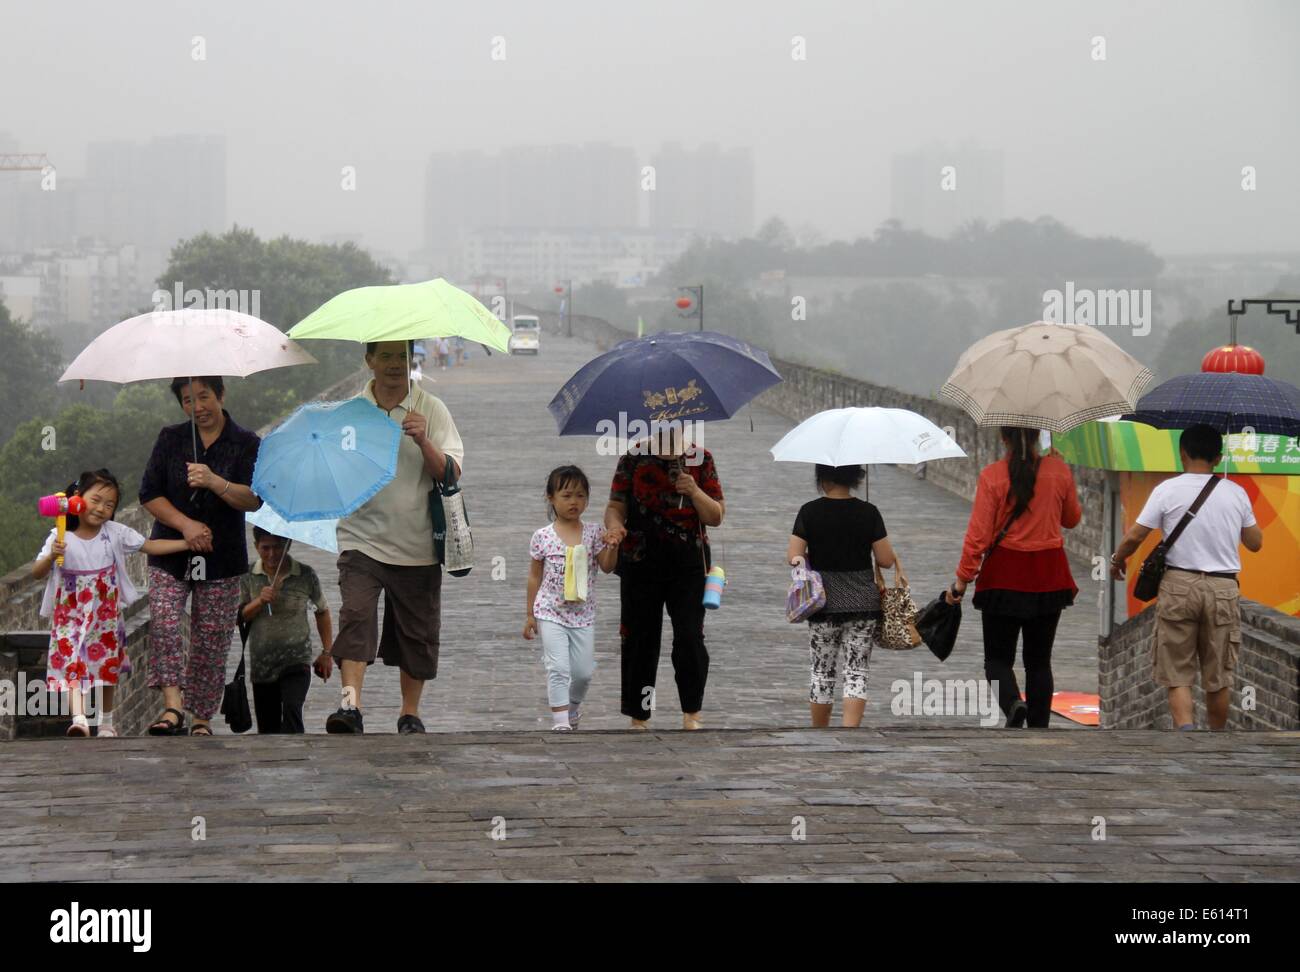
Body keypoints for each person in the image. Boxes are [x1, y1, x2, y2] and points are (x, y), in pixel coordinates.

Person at [326, 340, 464, 735]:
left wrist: (424, 440)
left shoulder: (432, 409)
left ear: (412, 360)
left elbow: (451, 473)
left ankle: (409, 713)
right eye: (384, 356)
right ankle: (350, 707)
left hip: (418, 543)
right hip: (361, 538)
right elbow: (333, 469)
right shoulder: (351, 413)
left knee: (416, 633)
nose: (392, 365)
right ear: (369, 360)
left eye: (400, 356)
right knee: (355, 617)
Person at [1109, 423, 1262, 731]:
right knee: (1218, 673)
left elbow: (1136, 536)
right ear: (1218, 458)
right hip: (1222, 587)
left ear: (1182, 453)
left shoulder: (1167, 490)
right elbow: (1255, 543)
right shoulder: (1236, 493)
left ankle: (1187, 735)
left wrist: (1117, 560)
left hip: (1179, 585)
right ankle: (1216, 739)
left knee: (1177, 669)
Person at [140, 377, 262, 736]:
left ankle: (201, 717)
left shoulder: (246, 443)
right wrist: (186, 525)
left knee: (211, 636)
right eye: (188, 400)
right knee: (164, 620)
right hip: (172, 550)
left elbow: (253, 499)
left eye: (204, 397)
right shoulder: (171, 438)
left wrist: (214, 482)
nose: (198, 408)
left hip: (222, 555)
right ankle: (172, 706)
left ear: (221, 395)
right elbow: (148, 493)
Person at [32, 469, 190, 737]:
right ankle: (80, 718)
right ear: (77, 499)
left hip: (104, 614)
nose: (101, 509)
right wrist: (52, 557)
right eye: (95, 500)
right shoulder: (60, 537)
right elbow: (37, 571)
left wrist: (187, 543)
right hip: (70, 615)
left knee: (106, 667)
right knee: (72, 660)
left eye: (109, 505)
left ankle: (106, 721)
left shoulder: (114, 533)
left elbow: (150, 547)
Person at [945, 428, 1081, 729]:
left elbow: (978, 537)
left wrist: (962, 580)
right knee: (1039, 661)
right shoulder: (1057, 471)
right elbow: (1071, 519)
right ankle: (1039, 727)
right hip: (1048, 575)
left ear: (1003, 437)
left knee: (997, 660)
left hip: (1003, 576)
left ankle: (1012, 704)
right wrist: (1061, 473)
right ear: (1037, 436)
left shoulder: (992, 476)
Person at [604, 427, 725, 730]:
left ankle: (691, 712)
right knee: (640, 638)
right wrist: (615, 527)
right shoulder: (633, 458)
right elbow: (615, 506)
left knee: (689, 636)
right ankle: (639, 715)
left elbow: (716, 516)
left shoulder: (701, 459)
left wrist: (694, 491)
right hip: (640, 561)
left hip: (690, 564)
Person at [786, 464, 897, 728]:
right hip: (863, 605)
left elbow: (793, 556)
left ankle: (820, 731)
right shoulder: (869, 512)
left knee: (822, 670)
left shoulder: (809, 511)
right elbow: (885, 560)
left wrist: (807, 557)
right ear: (856, 477)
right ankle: (850, 731)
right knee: (856, 671)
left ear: (822, 477)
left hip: (822, 604)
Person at [523, 466, 622, 730]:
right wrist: (530, 614)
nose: (574, 502)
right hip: (550, 611)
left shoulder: (593, 533)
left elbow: (607, 566)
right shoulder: (542, 537)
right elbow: (534, 577)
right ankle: (559, 722)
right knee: (557, 667)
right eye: (566, 495)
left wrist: (613, 546)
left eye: (580, 496)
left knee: (583, 672)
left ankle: (573, 709)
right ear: (551, 498)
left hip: (583, 615)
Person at [238, 528, 335, 734]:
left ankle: (298, 758)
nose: (272, 554)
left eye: (277, 547)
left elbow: (322, 611)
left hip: (297, 659)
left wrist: (327, 652)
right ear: (256, 547)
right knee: (268, 727)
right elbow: (238, 617)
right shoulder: (247, 576)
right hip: (262, 664)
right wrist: (259, 601)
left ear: (288, 546)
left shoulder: (305, 574)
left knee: (292, 709)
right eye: (266, 548)